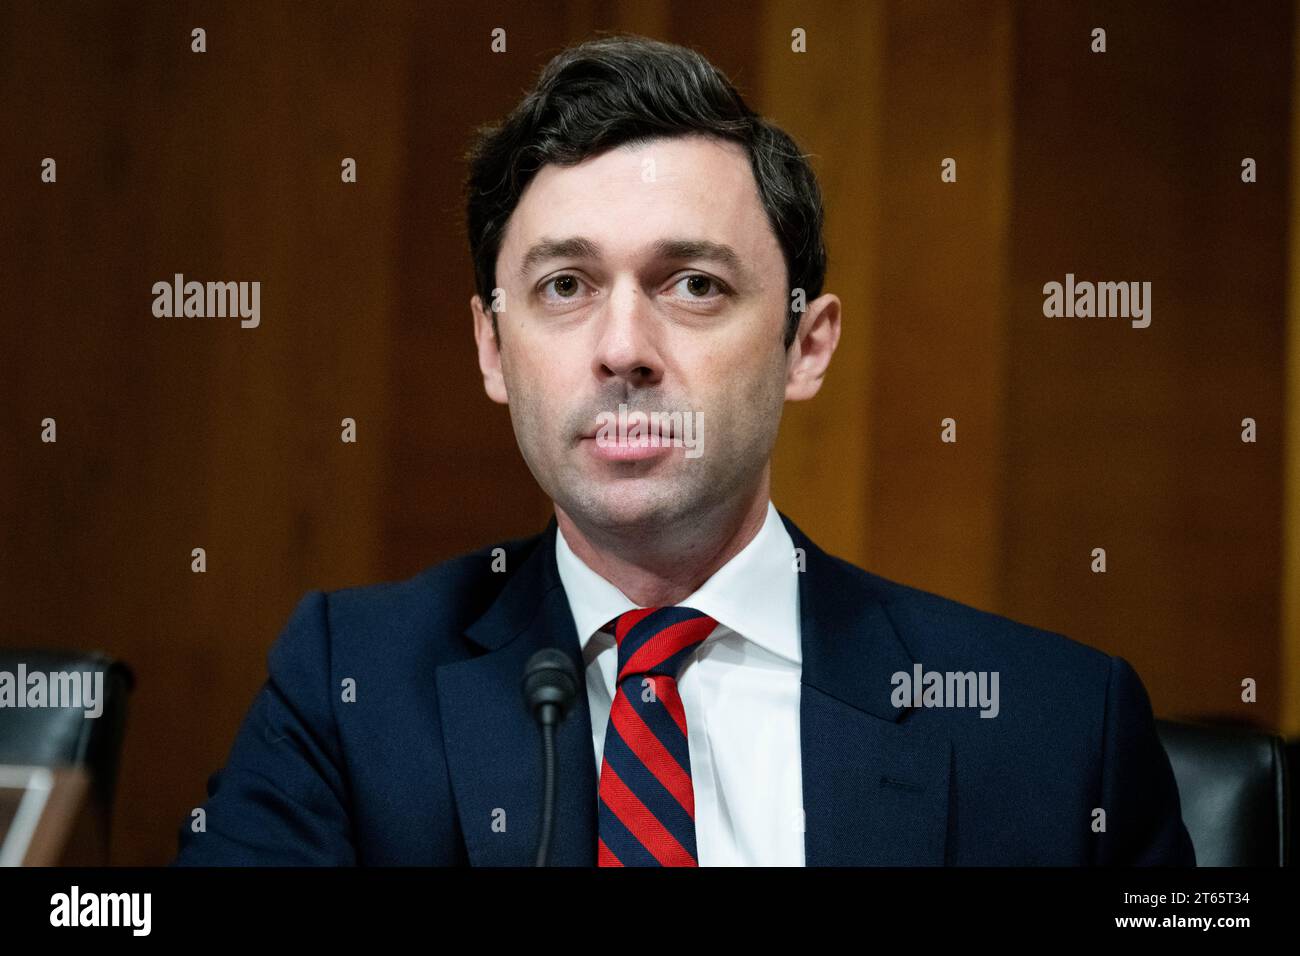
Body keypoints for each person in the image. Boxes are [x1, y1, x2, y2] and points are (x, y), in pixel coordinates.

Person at [174, 34, 1194, 866]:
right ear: (493, 348)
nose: (622, 349)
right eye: (564, 286)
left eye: (692, 285)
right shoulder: (349, 692)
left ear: (804, 343)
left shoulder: (1055, 733)